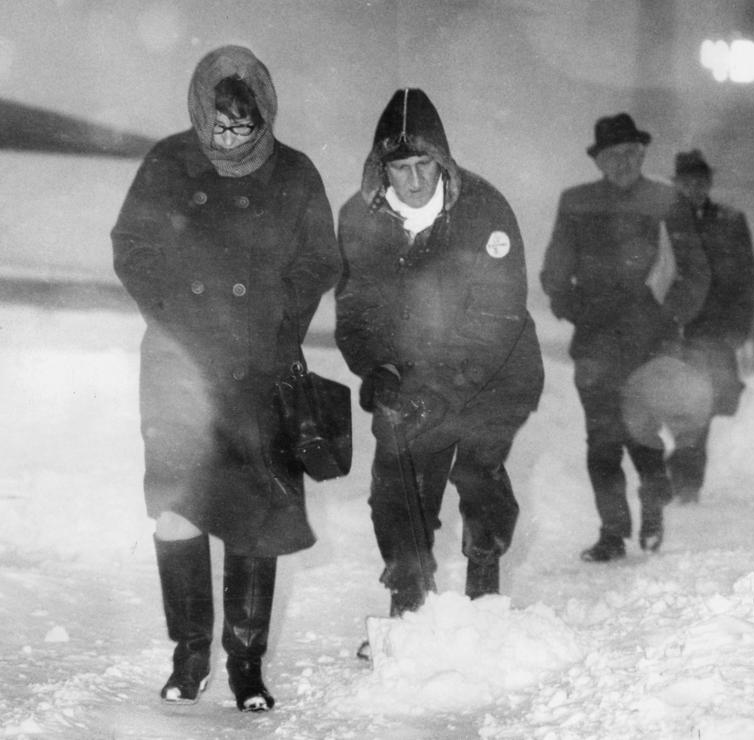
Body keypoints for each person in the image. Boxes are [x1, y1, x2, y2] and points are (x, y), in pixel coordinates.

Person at [111, 46, 340, 711]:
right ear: (200, 112)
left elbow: (318, 261)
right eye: (219, 124)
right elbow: (133, 246)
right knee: (178, 507)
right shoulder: (167, 164)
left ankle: (246, 667)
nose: (230, 137)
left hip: (256, 370)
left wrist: (277, 325)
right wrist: (177, 317)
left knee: (254, 515)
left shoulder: (295, 175)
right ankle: (189, 656)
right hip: (178, 369)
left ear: (264, 117)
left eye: (245, 126)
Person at [334, 88, 543, 617]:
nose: (414, 179)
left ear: (442, 161)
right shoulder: (360, 219)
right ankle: (409, 606)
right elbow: (355, 306)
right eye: (400, 166)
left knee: (477, 471)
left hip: (494, 372)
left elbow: (496, 316)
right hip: (411, 368)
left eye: (425, 163)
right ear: (382, 168)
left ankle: (483, 589)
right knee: (396, 487)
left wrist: (439, 392)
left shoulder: (483, 211)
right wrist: (377, 368)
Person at [540, 114, 709, 562]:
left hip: (650, 340)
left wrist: (669, 315)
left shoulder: (666, 200)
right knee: (601, 440)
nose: (623, 163)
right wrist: (571, 305)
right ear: (599, 161)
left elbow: (696, 271)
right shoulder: (576, 202)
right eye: (613, 156)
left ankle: (653, 504)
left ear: (643, 155)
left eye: (632, 154)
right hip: (595, 340)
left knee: (641, 431)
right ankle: (612, 533)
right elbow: (556, 267)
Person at [667, 150, 754, 503]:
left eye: (702, 181)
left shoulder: (732, 221)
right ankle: (677, 470)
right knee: (678, 404)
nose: (696, 188)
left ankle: (687, 482)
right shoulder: (663, 221)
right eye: (688, 181)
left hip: (715, 330)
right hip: (674, 328)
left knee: (706, 403)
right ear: (677, 184)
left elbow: (746, 279)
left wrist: (740, 327)